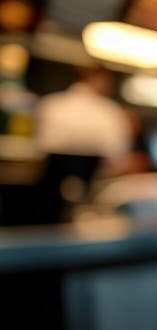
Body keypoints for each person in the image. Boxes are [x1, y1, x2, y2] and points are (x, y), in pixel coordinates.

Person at [33, 67, 131, 223]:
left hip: (49, 194)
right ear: (98, 80)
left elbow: (38, 144)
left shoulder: (49, 103)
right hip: (88, 192)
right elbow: (118, 156)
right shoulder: (110, 112)